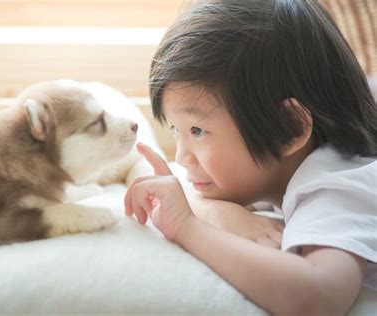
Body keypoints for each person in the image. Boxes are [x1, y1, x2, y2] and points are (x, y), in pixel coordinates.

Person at [124, 0, 377, 314]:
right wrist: (218, 214)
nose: (183, 156)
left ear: (288, 128)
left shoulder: (339, 185)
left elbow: (318, 295)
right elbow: (190, 192)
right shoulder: (281, 170)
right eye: (175, 130)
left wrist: (187, 227)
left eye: (198, 130)